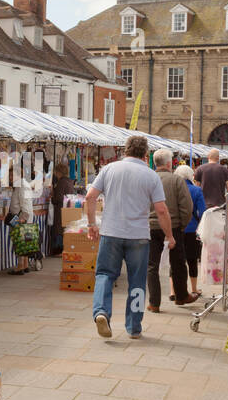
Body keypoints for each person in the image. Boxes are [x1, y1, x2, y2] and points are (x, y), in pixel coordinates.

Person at [85, 135, 174, 340]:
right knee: (137, 281)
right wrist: (169, 236)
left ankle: (101, 312)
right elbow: (161, 210)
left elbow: (90, 197)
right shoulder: (150, 175)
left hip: (111, 232)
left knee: (104, 275)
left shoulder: (109, 169)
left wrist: (92, 225)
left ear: (125, 150)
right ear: (146, 154)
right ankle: (134, 326)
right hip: (138, 235)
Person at [147, 149, 195, 310]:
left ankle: (154, 302)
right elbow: (187, 207)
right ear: (169, 163)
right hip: (173, 226)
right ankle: (181, 296)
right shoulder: (177, 180)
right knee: (178, 263)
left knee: (152, 265)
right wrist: (182, 225)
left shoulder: (148, 179)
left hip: (151, 226)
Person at [176, 164, 207, 297]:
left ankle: (173, 290)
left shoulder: (174, 188)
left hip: (176, 228)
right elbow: (203, 211)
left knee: (176, 260)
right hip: (192, 229)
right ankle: (194, 289)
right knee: (192, 260)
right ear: (190, 176)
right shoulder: (196, 190)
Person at [3, 157, 34, 275]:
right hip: (21, 217)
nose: (10, 178)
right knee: (24, 242)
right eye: (9, 176)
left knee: (20, 241)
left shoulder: (22, 185)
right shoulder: (21, 185)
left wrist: (22, 219)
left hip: (21, 218)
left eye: (12, 176)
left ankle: (20, 266)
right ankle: (25, 265)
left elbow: (25, 204)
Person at [49, 156, 75, 256]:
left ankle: (60, 250)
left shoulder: (61, 182)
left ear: (59, 172)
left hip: (60, 210)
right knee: (65, 229)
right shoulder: (69, 182)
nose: (55, 174)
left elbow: (58, 198)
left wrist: (52, 196)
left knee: (60, 230)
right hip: (67, 209)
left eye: (56, 172)